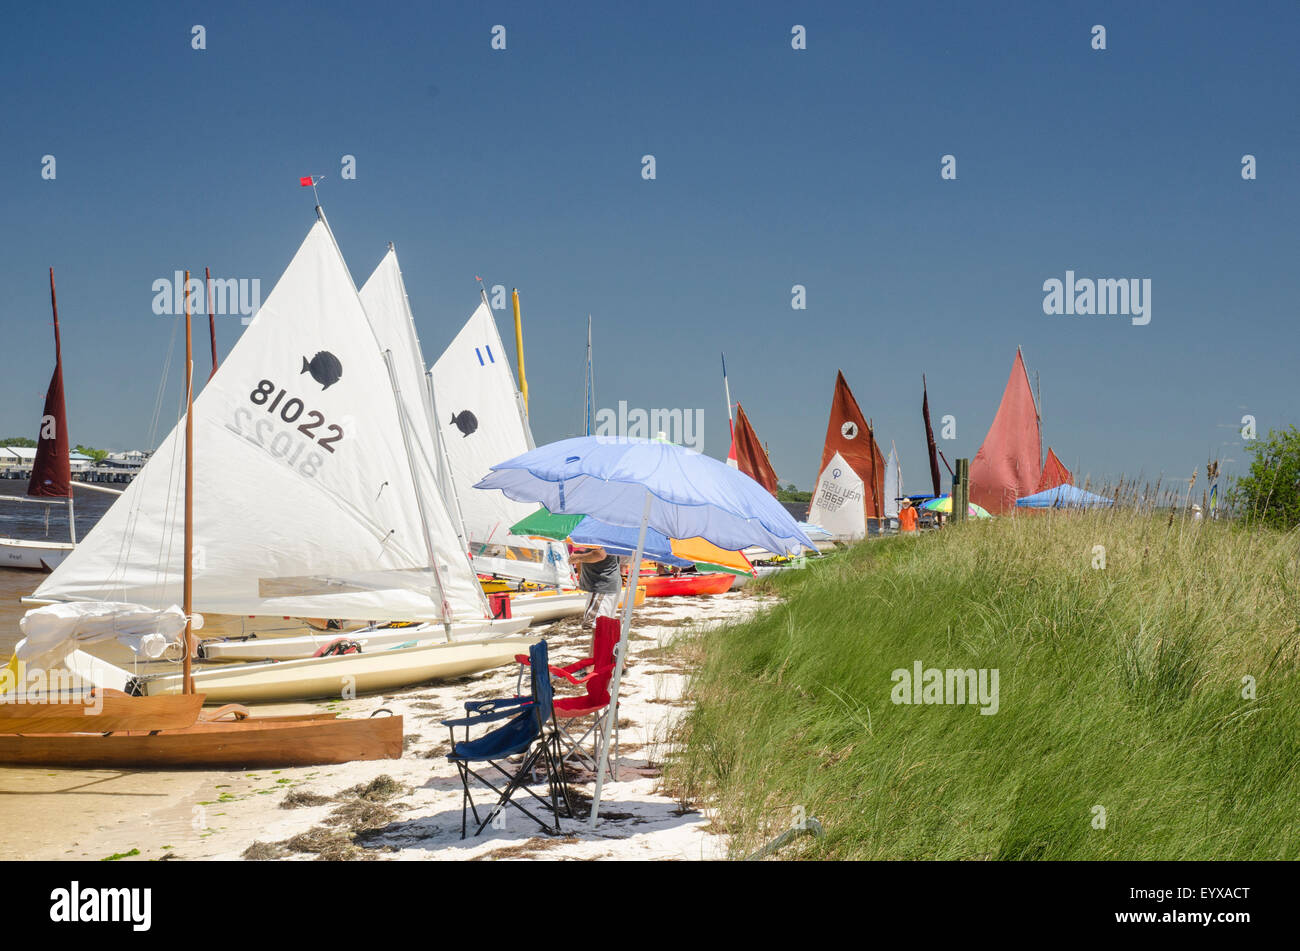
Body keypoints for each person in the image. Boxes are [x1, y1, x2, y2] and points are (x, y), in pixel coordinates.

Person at [570, 543, 621, 624]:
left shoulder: (602, 534)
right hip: (602, 586)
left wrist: (577, 558)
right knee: (603, 624)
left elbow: (600, 555)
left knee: (597, 624)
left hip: (602, 586)